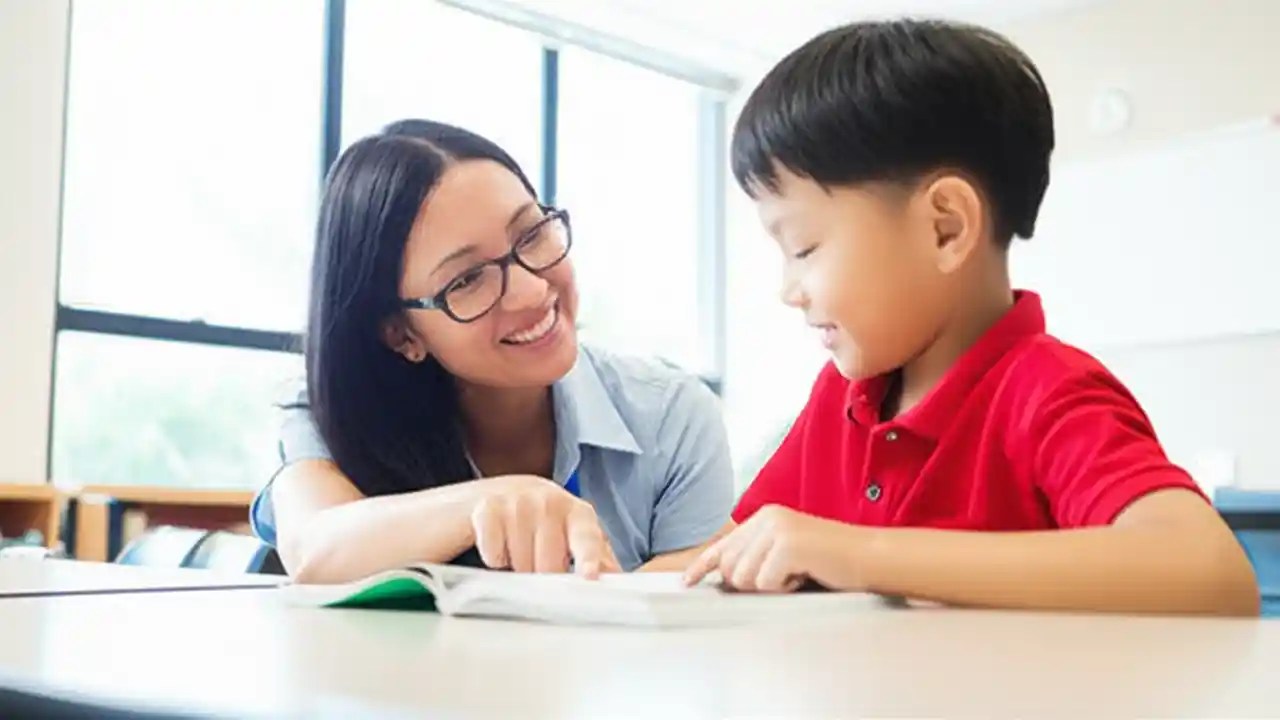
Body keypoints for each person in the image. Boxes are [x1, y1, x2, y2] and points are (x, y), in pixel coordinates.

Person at [683, 19, 1259, 615]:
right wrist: (592, 573)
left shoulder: (1049, 392)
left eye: (803, 247)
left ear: (946, 228)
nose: (789, 290)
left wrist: (862, 555)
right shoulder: (843, 397)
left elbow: (1210, 573)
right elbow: (731, 555)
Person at [251, 119, 733, 583]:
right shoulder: (336, 413)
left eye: (531, 235)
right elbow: (315, 548)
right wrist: (499, 499)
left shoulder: (669, 414)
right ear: (401, 334)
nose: (529, 291)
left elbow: (692, 614)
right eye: (467, 280)